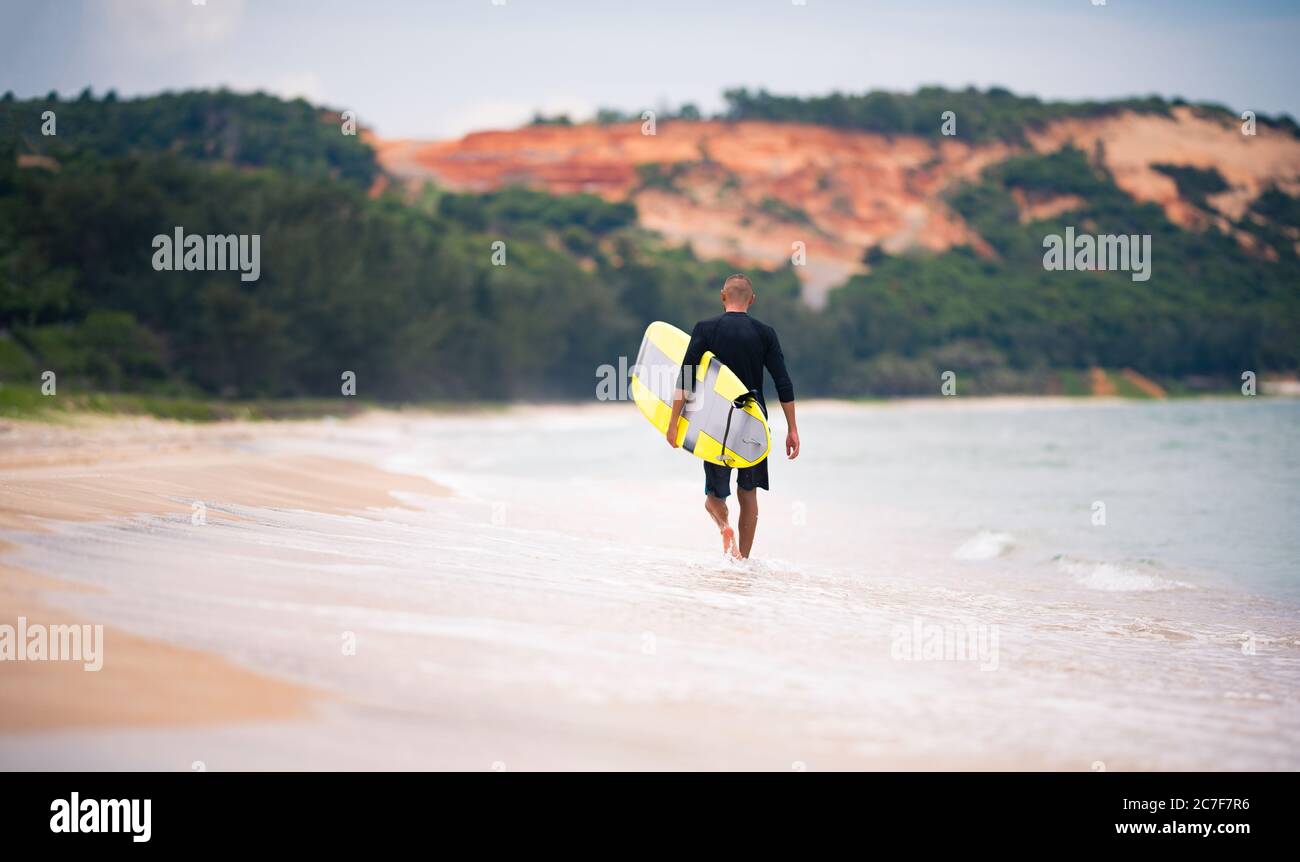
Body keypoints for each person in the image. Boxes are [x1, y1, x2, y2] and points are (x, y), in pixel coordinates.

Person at [666, 273, 799, 558]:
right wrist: (792, 429)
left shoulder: (706, 328)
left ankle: (725, 528)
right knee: (748, 493)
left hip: (716, 421)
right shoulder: (765, 333)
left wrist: (673, 422)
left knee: (713, 498)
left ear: (723, 296)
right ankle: (743, 561)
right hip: (753, 422)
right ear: (752, 300)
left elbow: (686, 378)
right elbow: (783, 382)